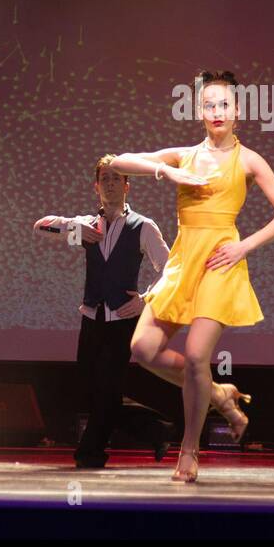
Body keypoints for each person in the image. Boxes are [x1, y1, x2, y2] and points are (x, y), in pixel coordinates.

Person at [110, 70, 274, 482]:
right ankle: (218, 394)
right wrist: (167, 172)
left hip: (220, 261)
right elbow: (117, 161)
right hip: (183, 260)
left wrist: (244, 246)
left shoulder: (248, 160)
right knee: (142, 348)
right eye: (209, 105)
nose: (217, 112)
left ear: (237, 112)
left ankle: (189, 451)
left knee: (197, 356)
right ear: (199, 111)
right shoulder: (185, 155)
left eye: (224, 105)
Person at [34, 154, 174, 469]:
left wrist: (146, 299)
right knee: (92, 387)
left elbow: (170, 270)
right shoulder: (85, 225)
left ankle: (91, 454)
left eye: (116, 179)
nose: (110, 184)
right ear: (97, 186)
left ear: (127, 186)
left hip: (123, 318)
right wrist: (74, 230)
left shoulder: (143, 226)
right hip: (92, 316)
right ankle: (153, 428)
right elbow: (40, 227)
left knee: (108, 387)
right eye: (105, 179)